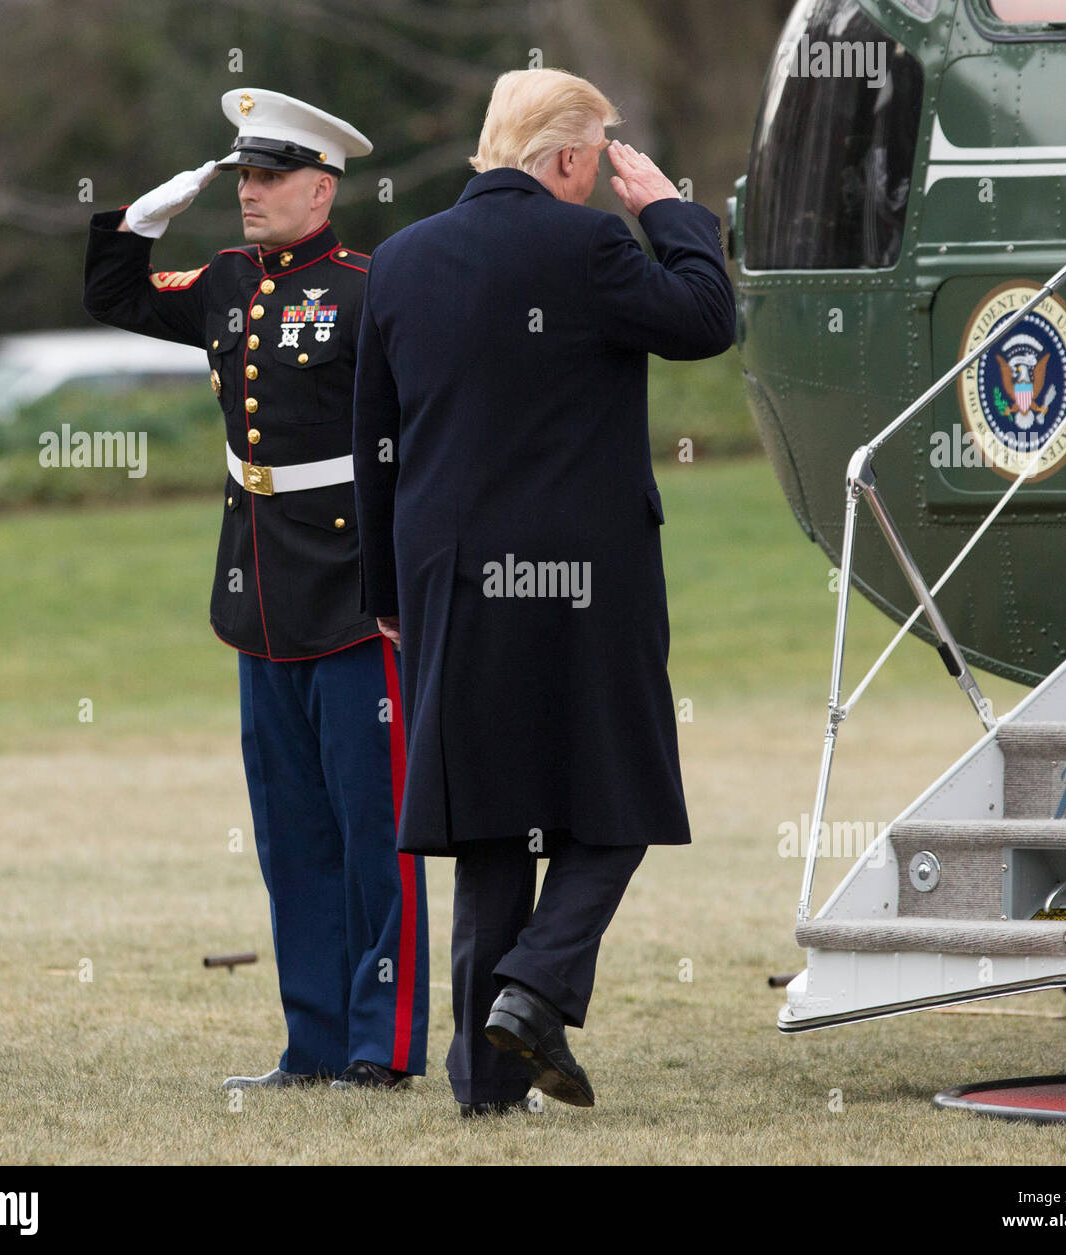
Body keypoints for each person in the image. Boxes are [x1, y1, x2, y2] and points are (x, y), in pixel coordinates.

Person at [353, 67, 735, 1117]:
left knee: (488, 819)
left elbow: (371, 440)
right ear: (569, 159)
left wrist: (385, 589)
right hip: (581, 576)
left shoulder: (399, 259)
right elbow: (706, 318)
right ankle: (535, 987)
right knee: (617, 796)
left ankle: (484, 1084)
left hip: (446, 575)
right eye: (597, 157)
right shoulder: (591, 245)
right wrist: (667, 210)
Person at [83, 88, 428, 1093]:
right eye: (243, 175)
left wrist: (401, 581)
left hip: (358, 595)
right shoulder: (230, 280)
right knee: (292, 840)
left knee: (375, 833)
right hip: (260, 591)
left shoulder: (370, 288)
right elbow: (117, 297)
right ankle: (312, 1044)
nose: (251, 192)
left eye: (271, 176)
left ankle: (382, 1042)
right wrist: (136, 222)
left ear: (322, 186)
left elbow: (416, 440)